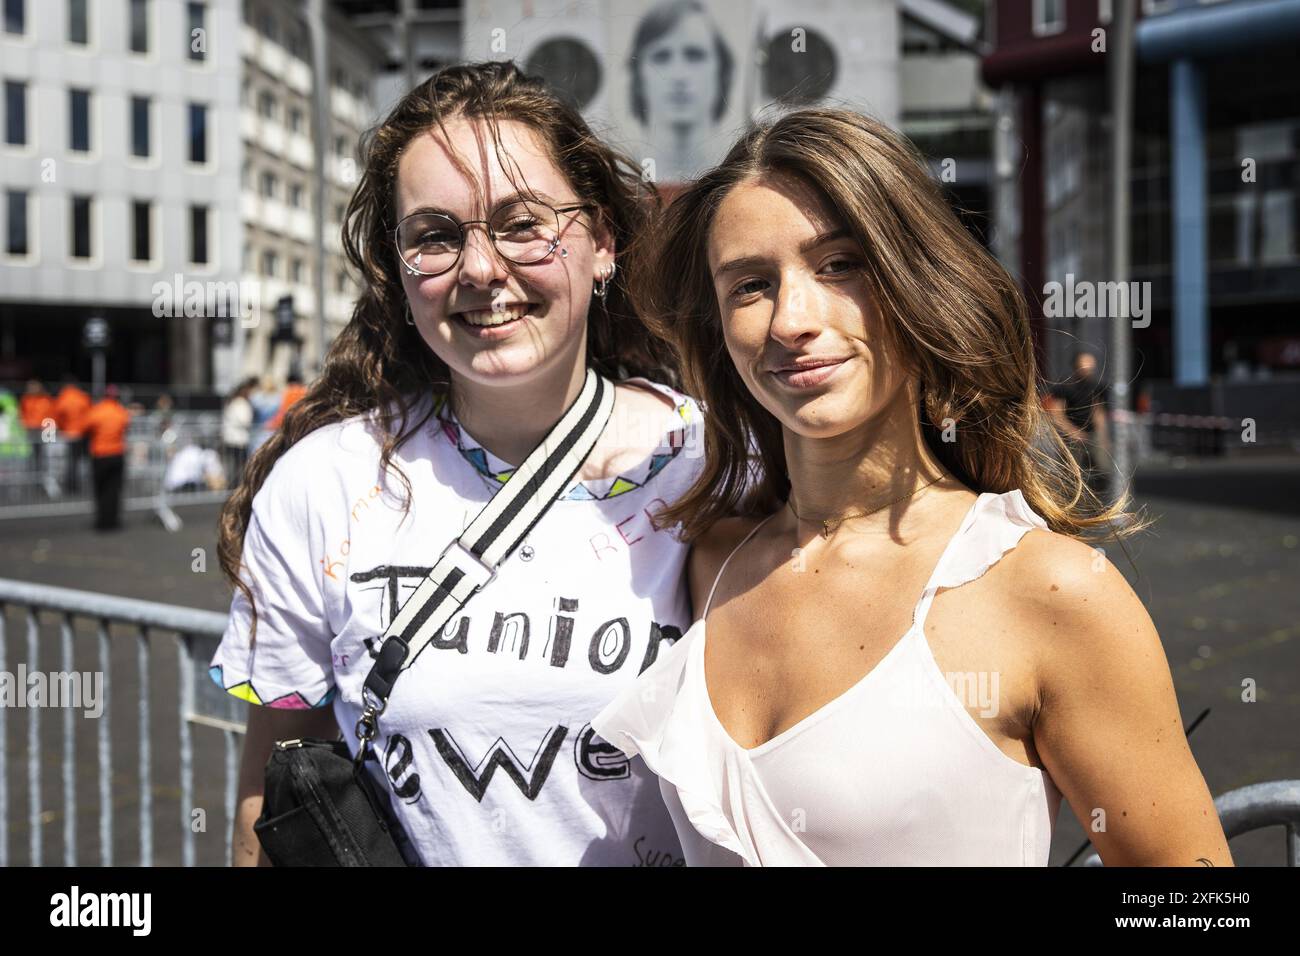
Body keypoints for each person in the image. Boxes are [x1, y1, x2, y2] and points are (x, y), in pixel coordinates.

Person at [592, 107, 1233, 867]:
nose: (792, 319)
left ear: (918, 281)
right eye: (751, 285)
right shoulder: (711, 562)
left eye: (840, 264)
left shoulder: (1049, 591)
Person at [212, 60, 707, 867]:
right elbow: (277, 794)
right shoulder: (323, 483)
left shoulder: (719, 468)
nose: (481, 269)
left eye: (523, 224)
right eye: (436, 236)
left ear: (604, 242)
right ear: (399, 272)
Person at [1047, 348, 1111, 501]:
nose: (1088, 367)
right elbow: (1056, 413)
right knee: (1071, 473)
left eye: (1090, 364)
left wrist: (1103, 436)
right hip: (1071, 435)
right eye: (1084, 364)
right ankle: (1071, 505)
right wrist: (1073, 431)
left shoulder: (1097, 386)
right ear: (1076, 366)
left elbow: (1098, 411)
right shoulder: (1065, 386)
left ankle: (1098, 503)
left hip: (1092, 433)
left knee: (1102, 468)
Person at [83, 384, 132, 531]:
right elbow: (125, 427)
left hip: (100, 455)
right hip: (117, 454)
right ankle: (112, 520)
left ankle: (102, 521)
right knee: (114, 490)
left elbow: (86, 427)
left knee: (100, 489)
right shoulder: (121, 412)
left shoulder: (96, 411)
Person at [52, 373, 92, 494]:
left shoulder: (62, 399)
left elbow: (56, 417)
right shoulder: (83, 397)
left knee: (71, 462)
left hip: (68, 434)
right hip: (83, 434)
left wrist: (60, 429)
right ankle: (84, 484)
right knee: (84, 460)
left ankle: (71, 486)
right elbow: (90, 415)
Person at [220, 377, 256, 488]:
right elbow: (245, 421)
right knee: (239, 467)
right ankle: (237, 488)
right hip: (238, 440)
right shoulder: (241, 404)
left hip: (230, 439)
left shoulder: (232, 402)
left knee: (234, 467)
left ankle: (233, 486)